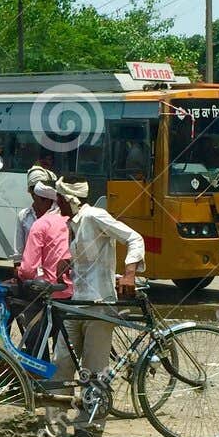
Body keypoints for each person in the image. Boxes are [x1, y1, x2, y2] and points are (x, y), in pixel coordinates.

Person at [51, 176, 145, 411]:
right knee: (61, 362)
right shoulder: (73, 223)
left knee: (94, 370)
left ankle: (91, 423)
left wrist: (130, 272)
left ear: (69, 199)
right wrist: (69, 262)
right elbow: (88, 256)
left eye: (59, 199)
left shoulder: (94, 216)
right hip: (78, 303)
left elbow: (134, 238)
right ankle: (55, 423)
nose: (57, 203)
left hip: (100, 304)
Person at [16, 165, 59, 260]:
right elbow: (19, 250)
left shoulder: (60, 214)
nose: (35, 195)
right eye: (33, 190)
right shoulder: (24, 216)